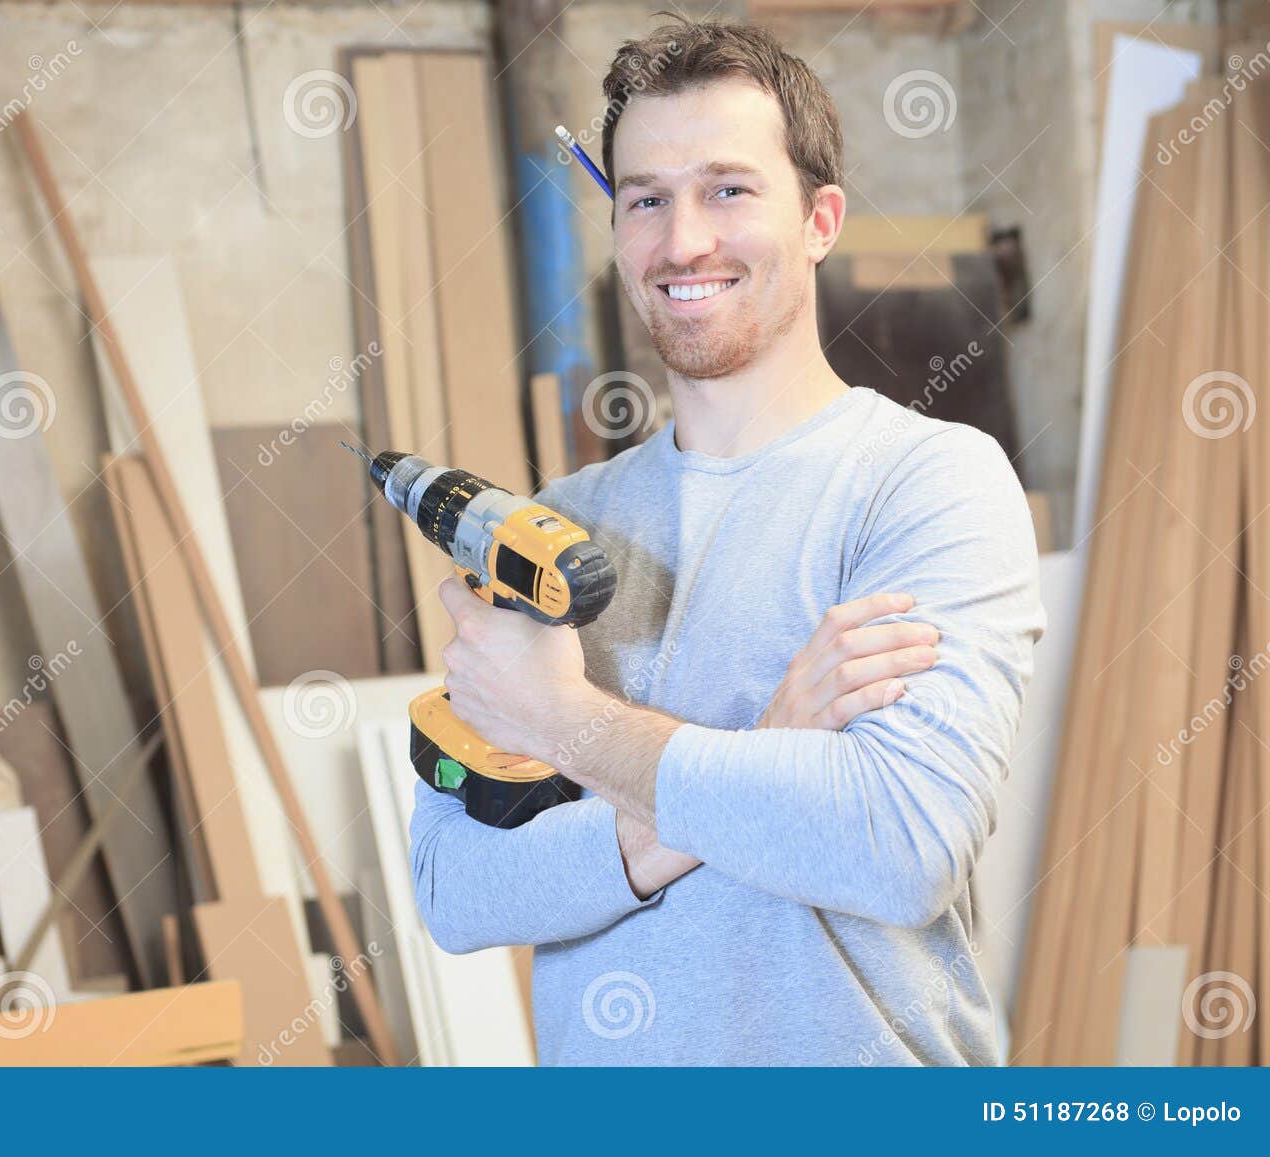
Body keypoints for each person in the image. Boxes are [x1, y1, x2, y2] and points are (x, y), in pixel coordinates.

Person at [410, 18, 1045, 1066]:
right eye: (645, 198)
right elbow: (457, 888)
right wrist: (762, 759)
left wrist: (566, 723)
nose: (683, 240)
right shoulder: (548, 527)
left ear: (819, 219)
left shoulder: (927, 483)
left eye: (728, 189)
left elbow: (897, 843)